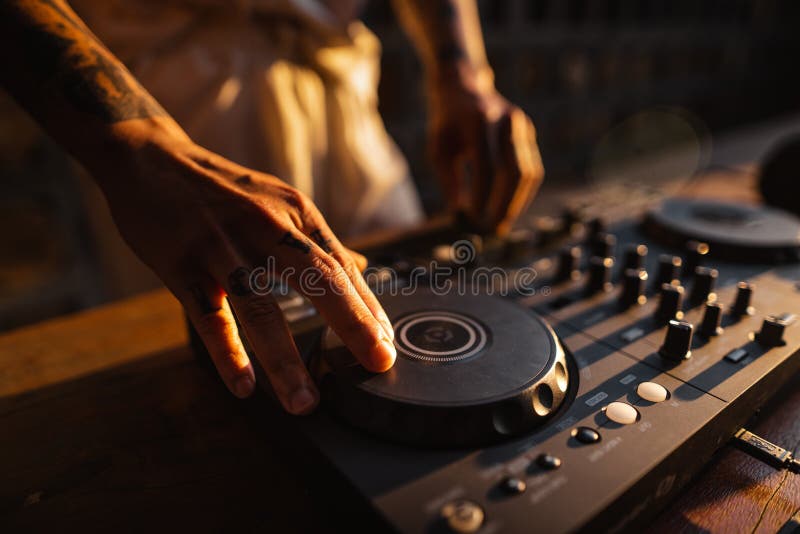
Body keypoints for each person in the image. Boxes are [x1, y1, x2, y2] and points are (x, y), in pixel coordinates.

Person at [1, 0, 544, 415]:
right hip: (171, 115)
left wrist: (461, 72)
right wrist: (146, 152)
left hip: (342, 95)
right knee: (214, 384)